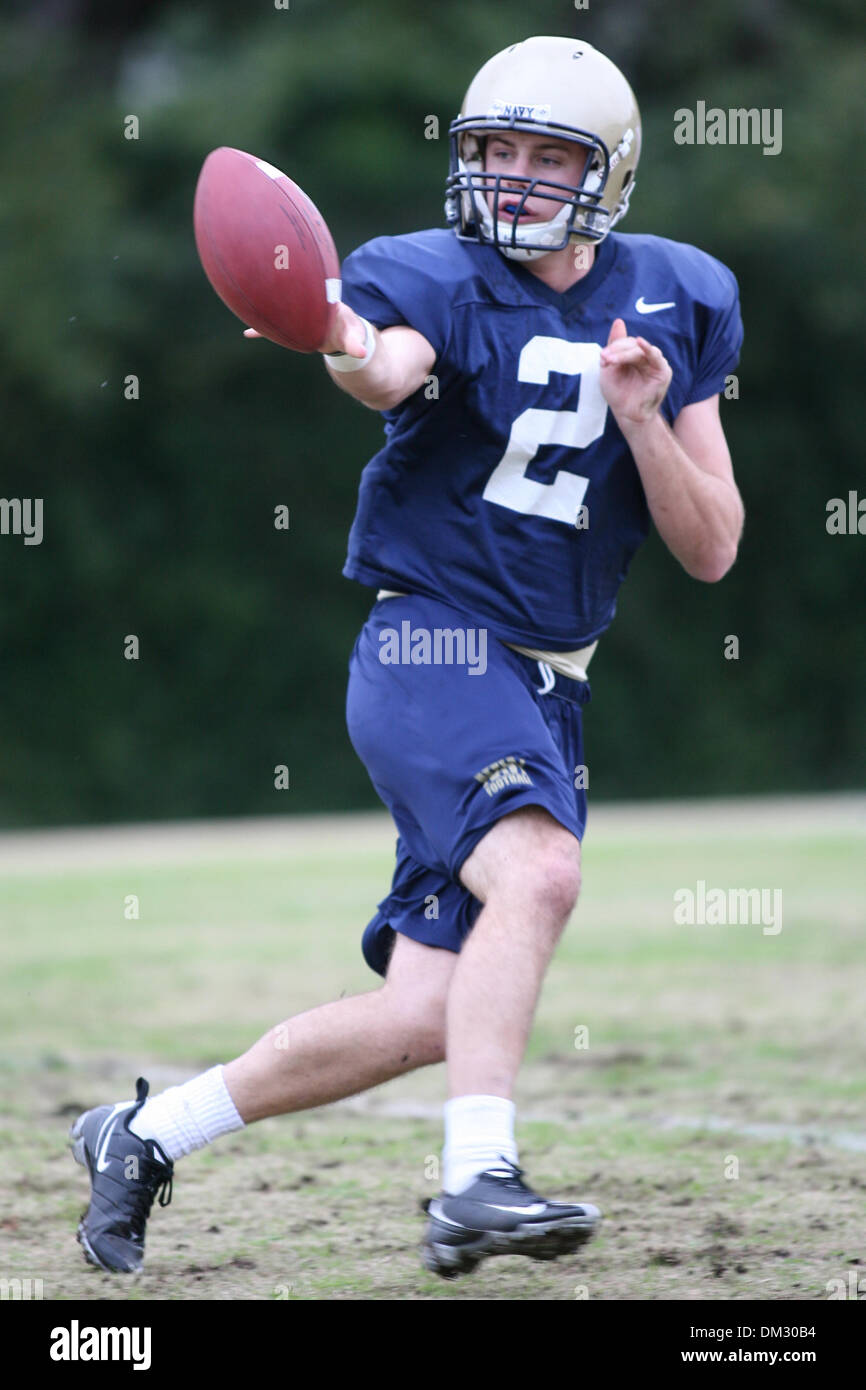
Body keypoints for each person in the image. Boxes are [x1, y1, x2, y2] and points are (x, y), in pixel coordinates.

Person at [69, 35, 744, 1281]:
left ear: (611, 173)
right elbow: (387, 372)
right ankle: (476, 1181)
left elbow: (709, 547)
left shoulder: (679, 294)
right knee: (536, 875)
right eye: (495, 151)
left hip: (552, 679)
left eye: (550, 158)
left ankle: (144, 1134)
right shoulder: (424, 276)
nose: (516, 180)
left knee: (429, 1012)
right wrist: (328, 325)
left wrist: (646, 420)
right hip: (430, 638)